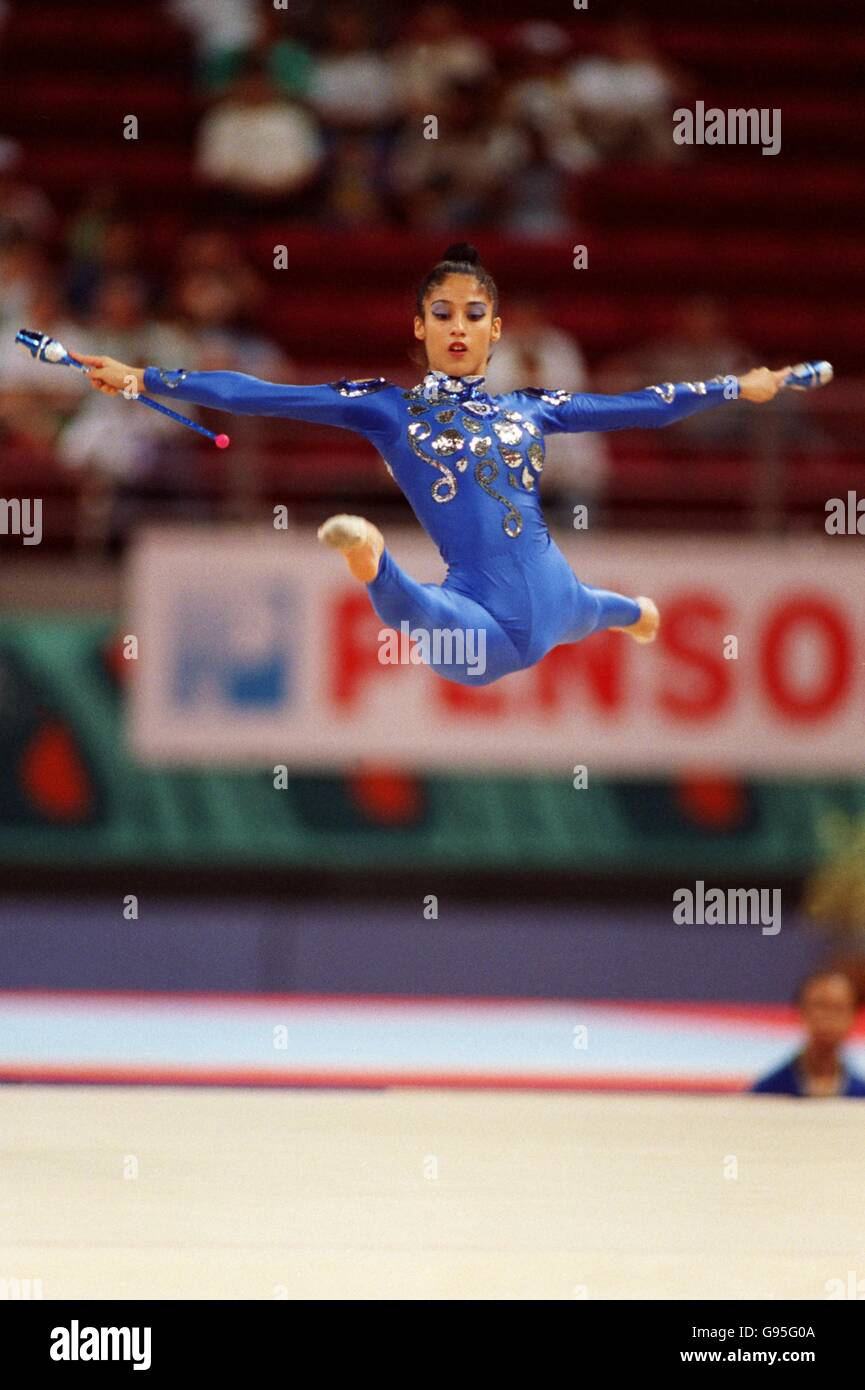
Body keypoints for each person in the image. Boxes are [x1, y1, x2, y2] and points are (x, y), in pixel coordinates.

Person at [71, 243, 794, 687]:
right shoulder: (388, 408)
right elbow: (258, 394)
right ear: (419, 327)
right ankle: (371, 558)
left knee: (593, 607)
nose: (457, 328)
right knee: (420, 608)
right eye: (441, 314)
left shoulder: (530, 407)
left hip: (557, 593)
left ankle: (633, 613)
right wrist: (143, 379)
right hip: (473, 625)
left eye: (473, 314)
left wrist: (738, 384)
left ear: (496, 330)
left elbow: (646, 405)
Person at [751, 971, 865, 1098]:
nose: (828, 1018)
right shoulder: (768, 1092)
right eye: (820, 1006)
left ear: (853, 1016)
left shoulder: (860, 1095)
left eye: (838, 1008)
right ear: (802, 1011)